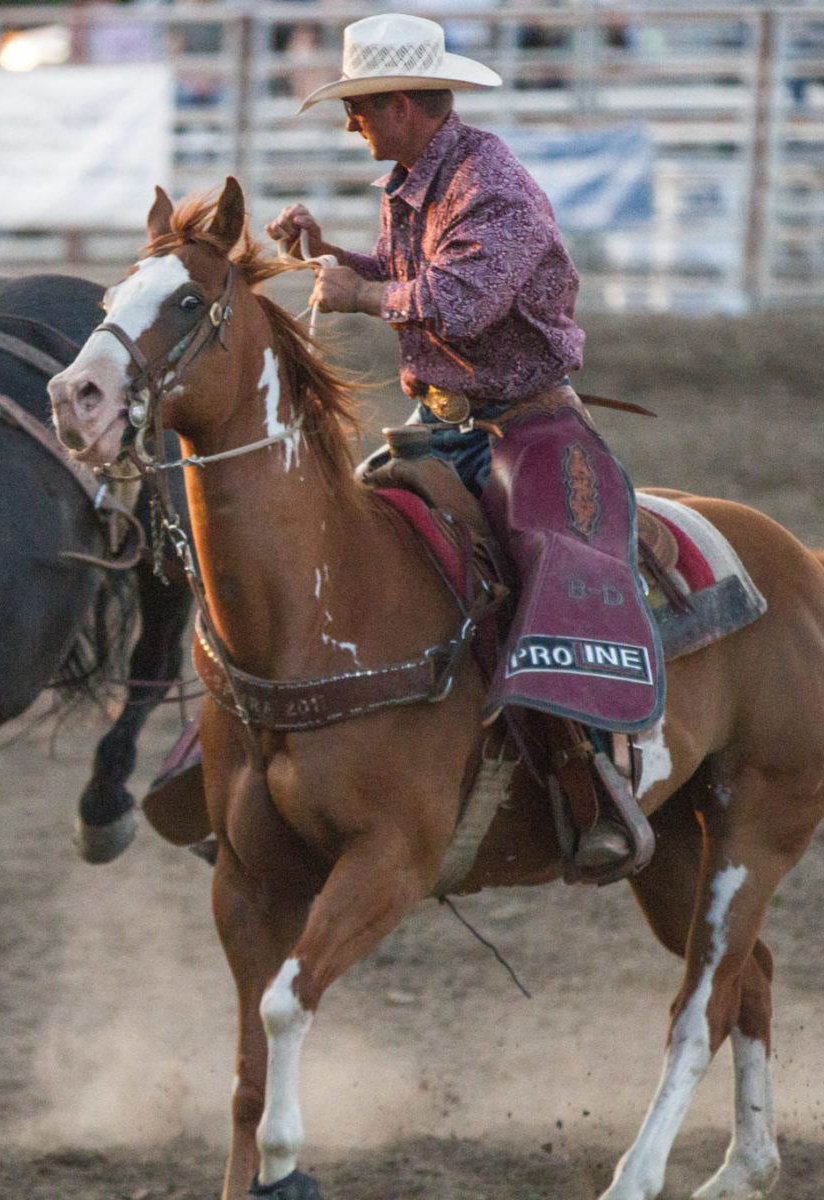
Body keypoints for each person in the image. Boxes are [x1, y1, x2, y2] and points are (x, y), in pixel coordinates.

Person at [265, 12, 660, 882]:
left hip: (526, 423)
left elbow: (464, 303)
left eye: (359, 107)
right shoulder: (419, 180)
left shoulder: (495, 186)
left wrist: (359, 297)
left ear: (402, 105)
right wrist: (332, 256)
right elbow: (409, 274)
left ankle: (593, 779)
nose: (350, 123)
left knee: (553, 567)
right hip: (445, 424)